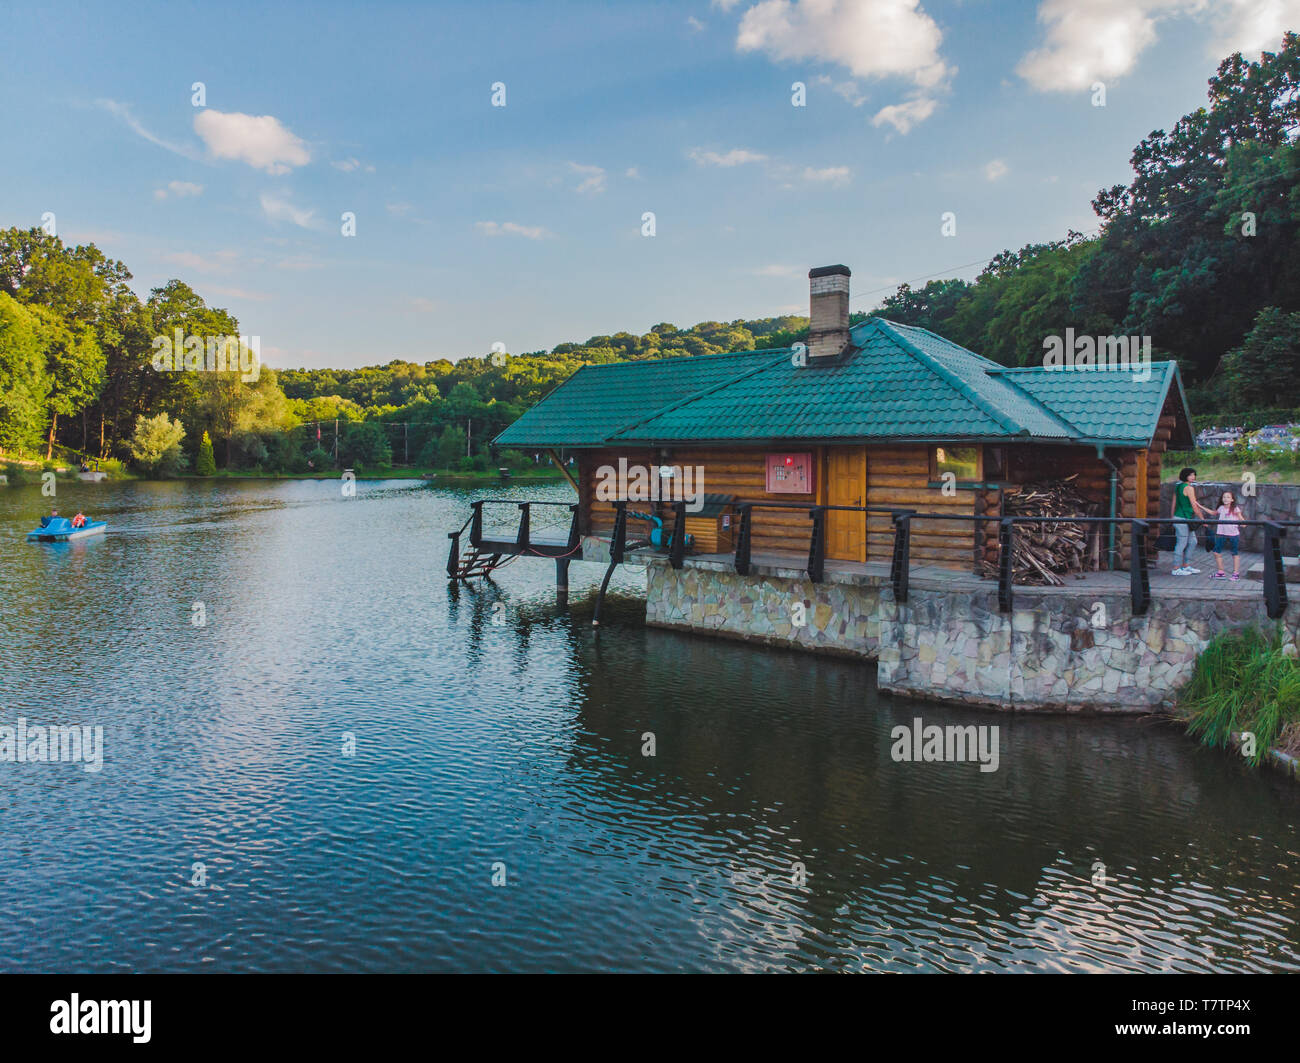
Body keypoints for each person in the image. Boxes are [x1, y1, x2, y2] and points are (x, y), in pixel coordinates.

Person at [1171, 468, 1212, 576]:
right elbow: (1194, 506)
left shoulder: (1178, 486)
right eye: (1190, 475)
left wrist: (1171, 517)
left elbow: (1173, 503)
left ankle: (1185, 565)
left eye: (1194, 474)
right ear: (1185, 476)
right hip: (1182, 518)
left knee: (1192, 541)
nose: (1193, 477)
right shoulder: (1189, 488)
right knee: (1182, 543)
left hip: (1182, 518)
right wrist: (1203, 519)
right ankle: (1176, 568)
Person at [1211, 490, 1244, 580]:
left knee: (1234, 553)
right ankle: (1221, 572)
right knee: (1216, 552)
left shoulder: (1235, 509)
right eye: (1224, 497)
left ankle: (1235, 574)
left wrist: (1242, 523)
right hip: (1221, 533)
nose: (1226, 499)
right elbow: (1213, 513)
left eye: (1228, 497)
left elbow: (1242, 520)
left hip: (1233, 534)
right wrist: (1199, 506)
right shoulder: (1221, 508)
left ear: (1232, 499)